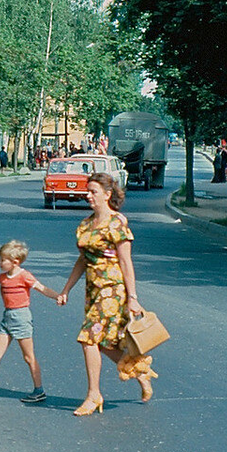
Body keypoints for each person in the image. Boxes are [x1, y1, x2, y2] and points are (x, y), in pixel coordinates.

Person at [58, 173, 156, 416]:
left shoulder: (117, 224)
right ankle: (140, 370)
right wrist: (66, 288)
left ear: (107, 194)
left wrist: (132, 297)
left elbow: (126, 262)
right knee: (101, 343)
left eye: (93, 191)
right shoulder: (85, 225)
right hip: (93, 289)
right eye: (87, 191)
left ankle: (94, 395)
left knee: (88, 338)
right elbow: (83, 260)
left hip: (113, 290)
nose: (87, 195)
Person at [0, 240, 61, 404]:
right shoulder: (2, 278)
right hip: (7, 318)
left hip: (21, 318)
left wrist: (58, 296)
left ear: (15, 262)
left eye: (2, 260)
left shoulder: (24, 276)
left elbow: (42, 288)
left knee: (29, 357)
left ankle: (39, 390)